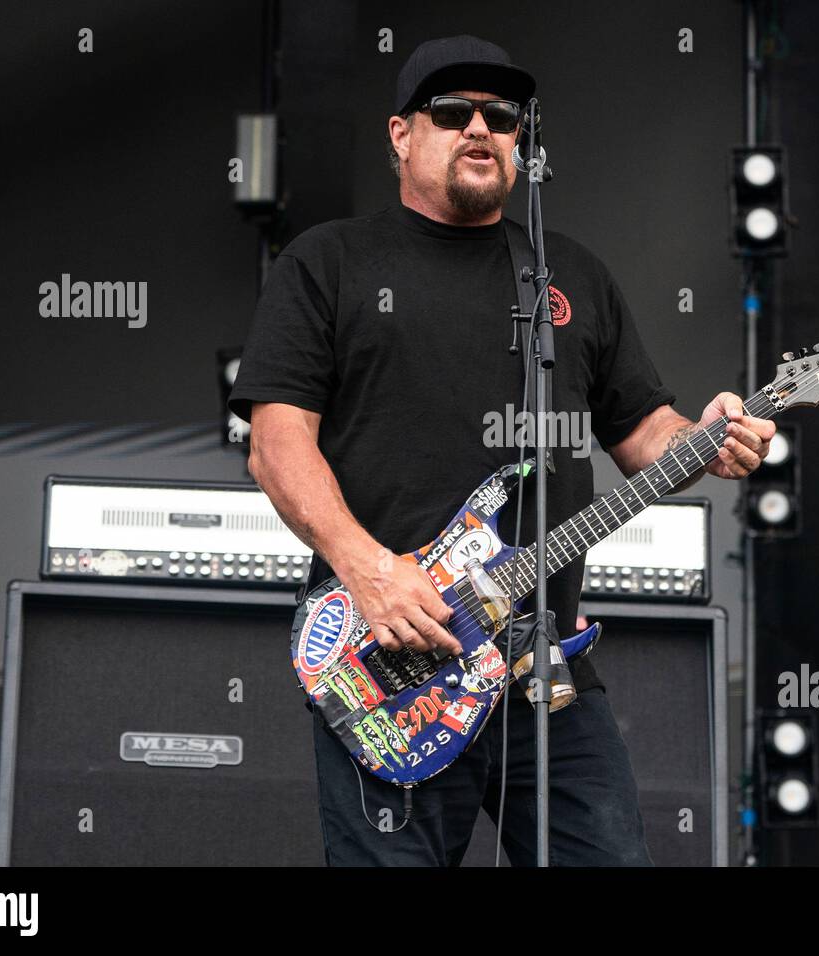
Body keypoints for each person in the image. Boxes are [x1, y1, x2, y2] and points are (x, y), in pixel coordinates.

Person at [228, 34, 774, 866]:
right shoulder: (329, 263)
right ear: (401, 135)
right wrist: (369, 570)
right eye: (452, 112)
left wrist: (712, 437)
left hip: (542, 667)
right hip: (397, 659)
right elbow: (275, 443)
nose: (480, 128)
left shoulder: (568, 278)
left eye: (502, 116)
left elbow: (646, 439)